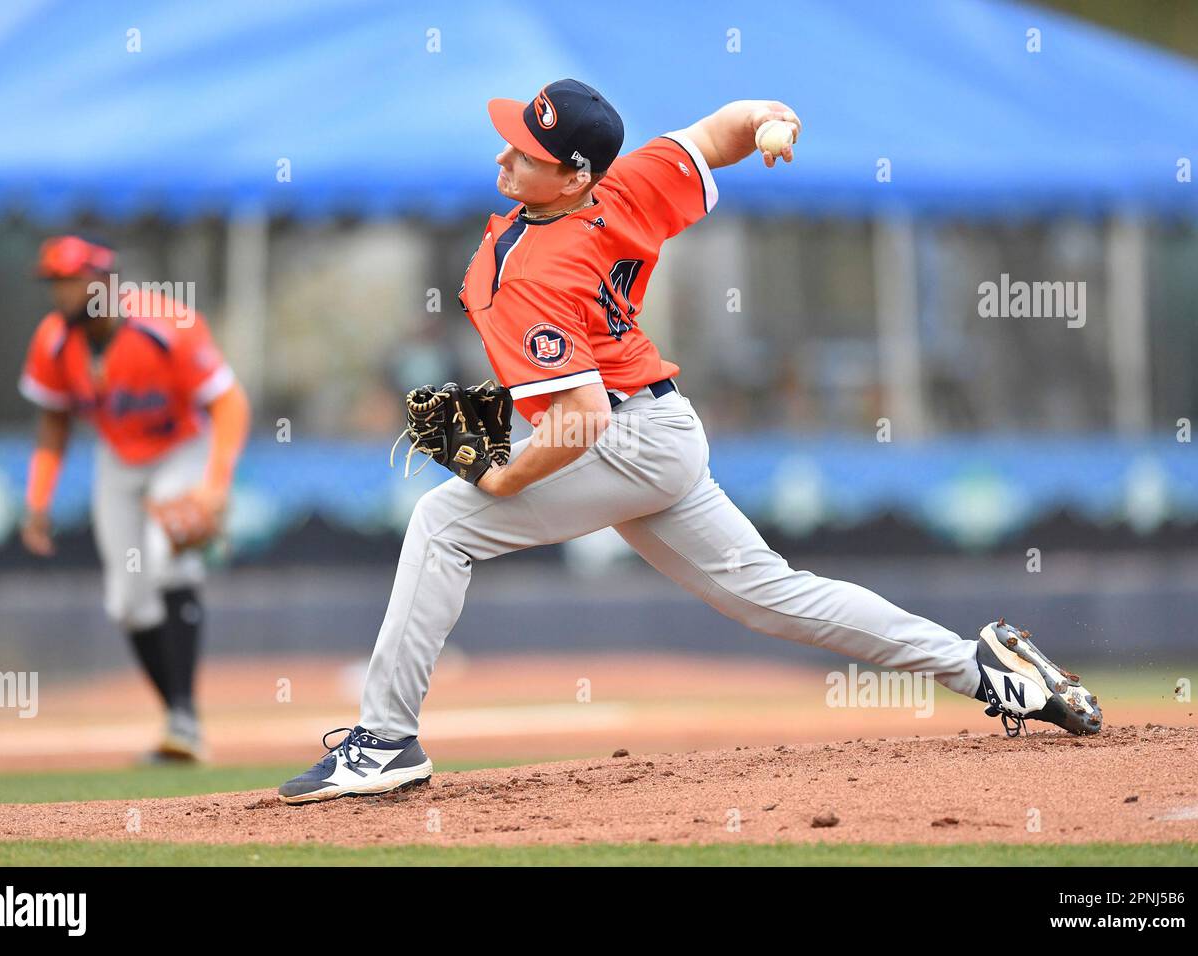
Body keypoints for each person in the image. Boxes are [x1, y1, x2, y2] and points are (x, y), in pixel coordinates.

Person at [279, 80, 1100, 804]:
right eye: (512, 138)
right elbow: (721, 130)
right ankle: (983, 667)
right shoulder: (627, 187)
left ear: (575, 174)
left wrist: (502, 477)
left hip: (623, 436)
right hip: (657, 431)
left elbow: (582, 418)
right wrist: (770, 119)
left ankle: (384, 741)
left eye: (529, 153)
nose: (506, 158)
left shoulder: (540, 268)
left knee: (443, 523)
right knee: (772, 595)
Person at [19, 236, 250, 761]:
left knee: (166, 559)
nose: (61, 293)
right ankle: (181, 723)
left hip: (179, 449)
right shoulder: (54, 341)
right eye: (54, 283)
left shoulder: (167, 325)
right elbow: (54, 423)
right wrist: (39, 500)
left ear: (104, 281)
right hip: (119, 459)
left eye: (71, 280)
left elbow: (230, 402)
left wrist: (214, 484)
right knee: (126, 601)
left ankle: (184, 717)